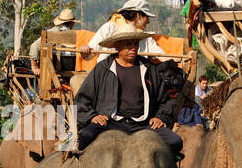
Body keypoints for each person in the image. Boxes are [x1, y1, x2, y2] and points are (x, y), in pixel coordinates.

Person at [74, 21, 182, 155]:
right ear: (116, 46)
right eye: (128, 44)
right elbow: (82, 99)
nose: (134, 48)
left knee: (175, 141)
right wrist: (92, 117)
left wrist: (160, 117)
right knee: (86, 135)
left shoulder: (149, 69)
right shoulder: (103, 68)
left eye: (136, 43)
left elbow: (164, 100)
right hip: (110, 123)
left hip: (143, 125)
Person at [81, 0, 166, 59]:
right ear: (138, 15)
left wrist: (177, 59)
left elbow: (161, 55)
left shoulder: (145, 36)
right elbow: (90, 55)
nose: (148, 22)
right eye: (147, 17)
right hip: (109, 76)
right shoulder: (109, 27)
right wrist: (85, 52)